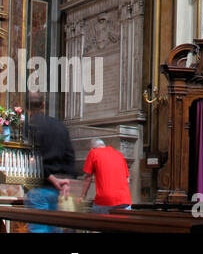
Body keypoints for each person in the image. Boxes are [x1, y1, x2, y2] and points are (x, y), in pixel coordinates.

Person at [25, 94, 76, 233]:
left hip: (39, 187)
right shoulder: (60, 126)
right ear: (43, 105)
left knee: (39, 229)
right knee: (55, 229)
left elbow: (35, 157)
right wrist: (65, 181)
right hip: (58, 191)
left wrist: (52, 179)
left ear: (27, 107)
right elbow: (70, 155)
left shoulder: (31, 124)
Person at [81, 138, 132, 214]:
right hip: (125, 199)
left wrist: (82, 196)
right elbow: (127, 179)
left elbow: (88, 178)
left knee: (94, 223)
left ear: (92, 148)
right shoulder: (119, 154)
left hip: (105, 200)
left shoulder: (93, 153)